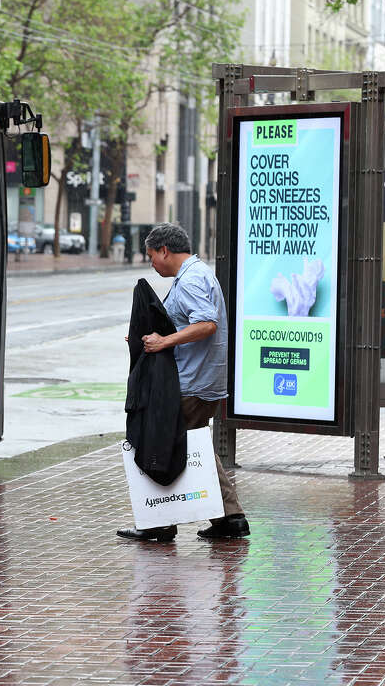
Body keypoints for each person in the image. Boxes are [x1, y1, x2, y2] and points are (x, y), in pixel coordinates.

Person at [117, 222, 250, 542]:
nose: (150, 262)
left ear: (165, 250)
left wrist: (164, 343)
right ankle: (230, 518)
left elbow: (206, 324)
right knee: (193, 446)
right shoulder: (197, 274)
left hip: (191, 383)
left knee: (160, 445)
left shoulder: (190, 279)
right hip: (203, 381)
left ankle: (160, 522)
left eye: (151, 255)